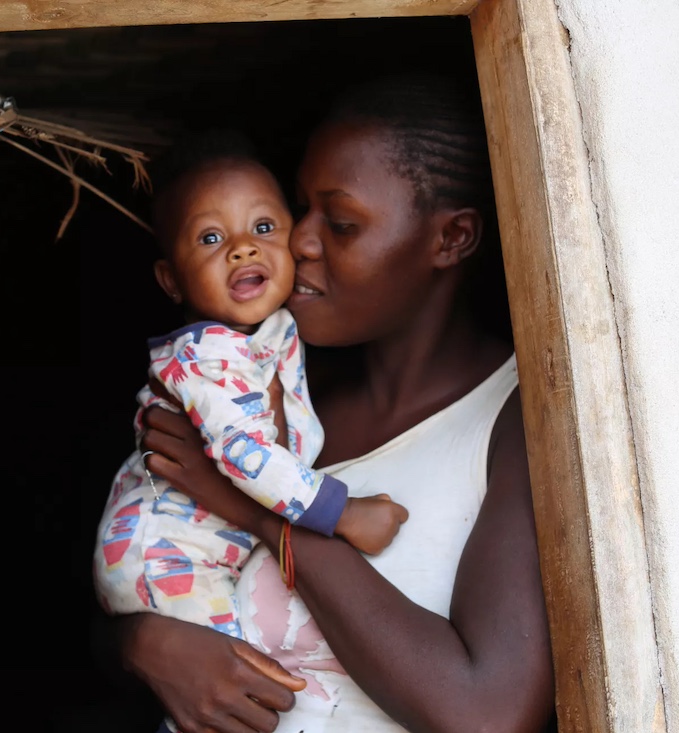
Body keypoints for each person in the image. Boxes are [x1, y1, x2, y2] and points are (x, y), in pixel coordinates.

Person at [100, 74, 556, 733]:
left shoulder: (516, 421)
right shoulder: (259, 393)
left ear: (451, 238)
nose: (300, 242)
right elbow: (137, 558)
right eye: (297, 210)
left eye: (339, 223)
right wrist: (143, 646)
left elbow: (486, 712)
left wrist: (260, 515)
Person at [92, 132, 410, 661]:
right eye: (211, 239)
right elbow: (247, 456)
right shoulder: (210, 357)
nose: (243, 246)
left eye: (263, 227)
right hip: (170, 557)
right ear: (171, 281)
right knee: (238, 689)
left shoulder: (274, 331)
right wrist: (344, 513)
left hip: (203, 554)